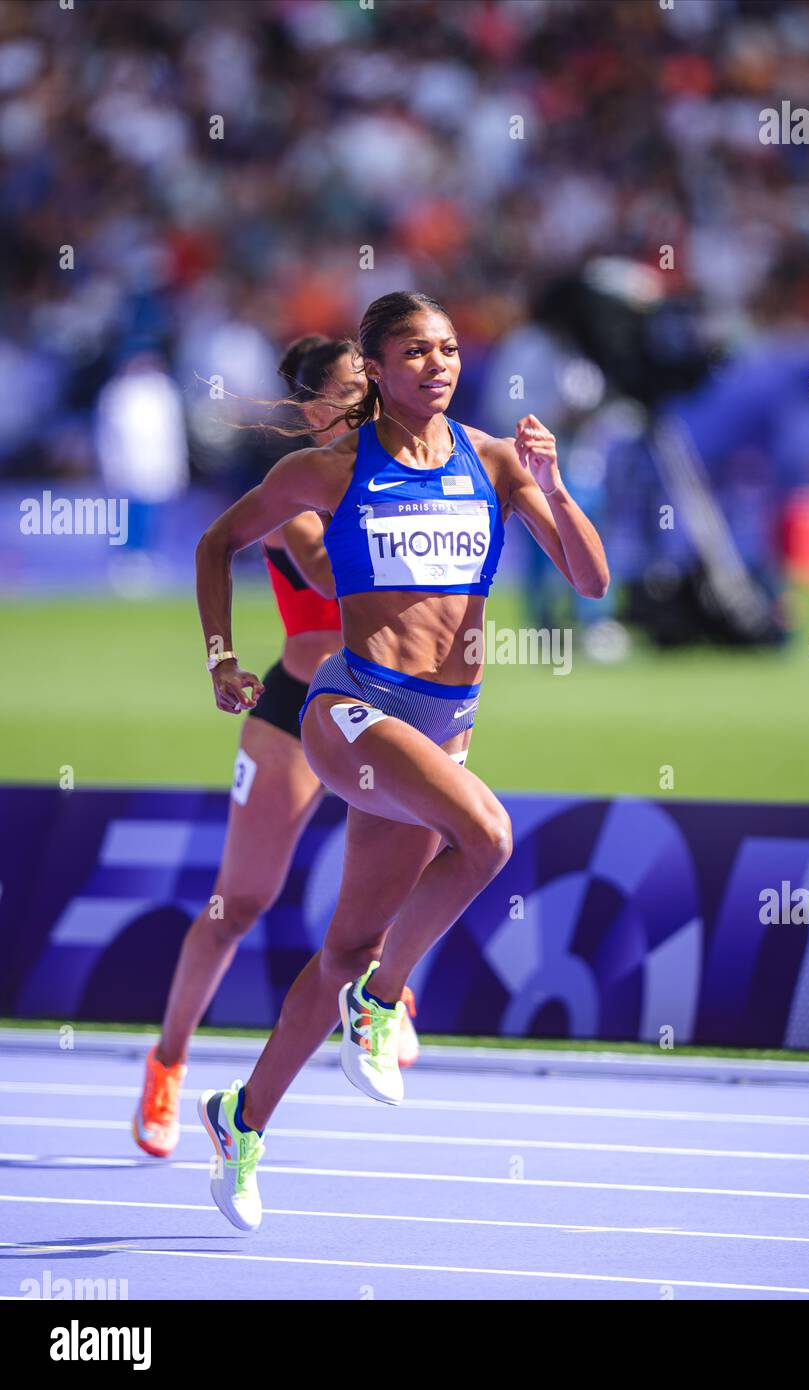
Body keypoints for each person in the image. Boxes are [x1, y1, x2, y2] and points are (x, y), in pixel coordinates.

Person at [193, 291, 609, 1229]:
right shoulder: (331, 471)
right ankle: (383, 1005)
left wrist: (556, 481)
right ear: (374, 370)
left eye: (450, 348)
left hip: (441, 727)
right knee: (489, 834)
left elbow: (589, 580)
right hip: (349, 712)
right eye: (414, 351)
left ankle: (241, 1119)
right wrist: (220, 656)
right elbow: (219, 540)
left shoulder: (495, 462)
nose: (438, 363)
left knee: (342, 948)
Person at [132, 335, 419, 1159]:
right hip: (297, 709)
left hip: (386, 707)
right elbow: (331, 576)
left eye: (373, 383)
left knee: (427, 849)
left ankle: (387, 995)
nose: (367, 398)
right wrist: (219, 656)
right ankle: (169, 1061)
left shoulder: (410, 467)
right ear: (311, 409)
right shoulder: (298, 493)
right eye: (347, 390)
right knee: (241, 901)